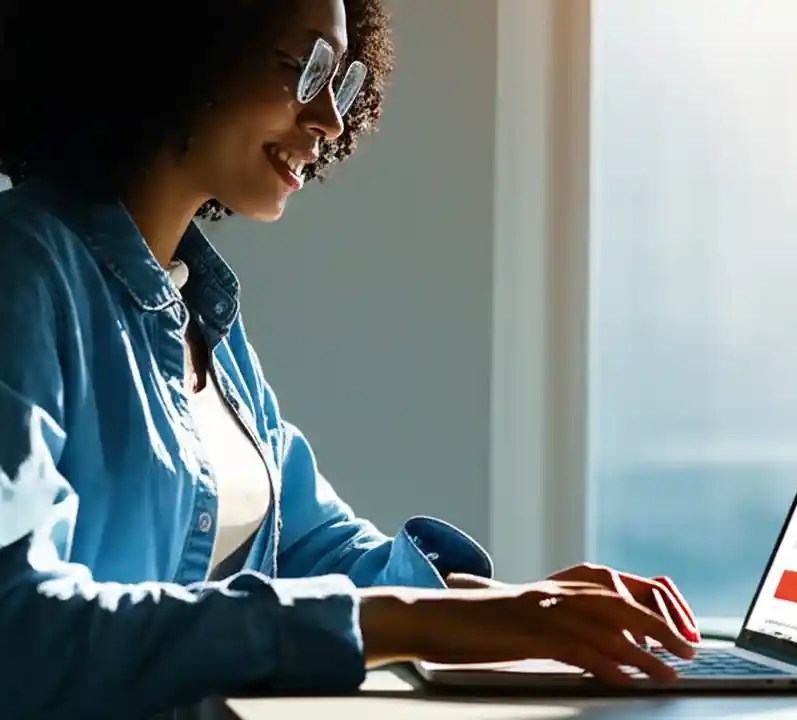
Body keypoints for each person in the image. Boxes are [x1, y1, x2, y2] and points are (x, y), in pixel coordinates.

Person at [0, 1, 700, 717]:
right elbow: (21, 630)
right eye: (303, 68)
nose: (331, 119)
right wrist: (427, 623)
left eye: (341, 78)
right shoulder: (22, 273)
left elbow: (320, 553)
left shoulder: (197, 307)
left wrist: (526, 609)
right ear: (174, 49)